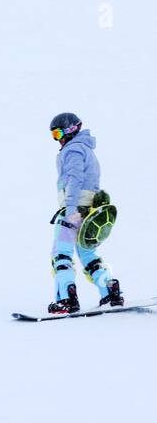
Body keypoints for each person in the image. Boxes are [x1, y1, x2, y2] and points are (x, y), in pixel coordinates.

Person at [47, 114, 123, 314]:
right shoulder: (87, 150)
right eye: (54, 135)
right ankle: (110, 289)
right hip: (88, 211)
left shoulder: (73, 150)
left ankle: (66, 298)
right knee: (88, 254)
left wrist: (71, 210)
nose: (57, 139)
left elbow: (74, 179)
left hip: (74, 211)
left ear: (71, 130)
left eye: (58, 133)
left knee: (61, 254)